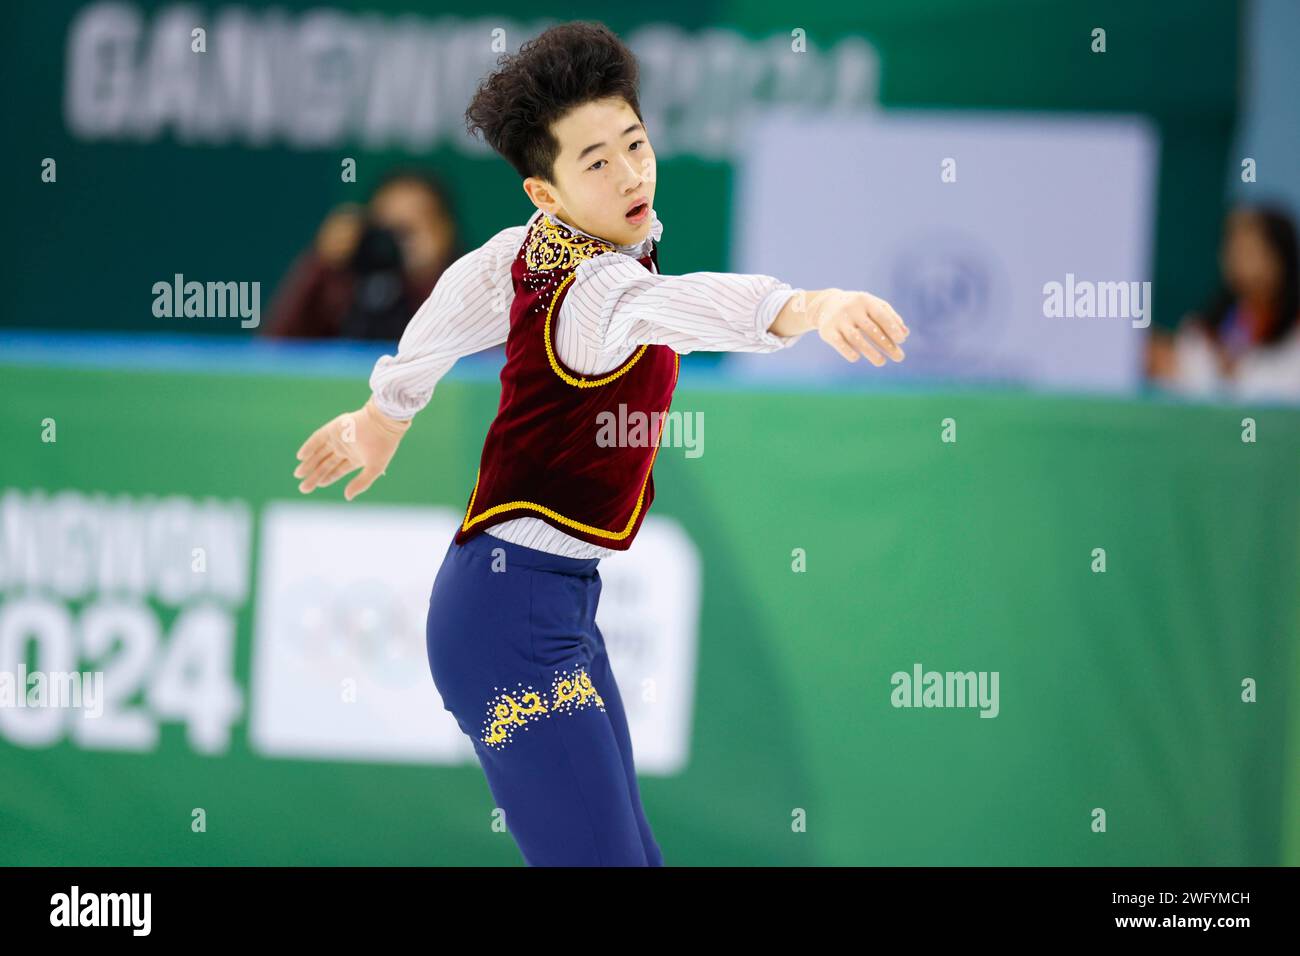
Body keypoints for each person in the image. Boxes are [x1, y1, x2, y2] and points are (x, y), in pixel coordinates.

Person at [290, 21, 908, 866]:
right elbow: (688, 308)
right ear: (546, 194)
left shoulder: (526, 253)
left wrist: (385, 416)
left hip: (547, 607)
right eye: (596, 162)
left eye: (635, 144)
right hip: (507, 623)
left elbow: (452, 304)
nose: (630, 174)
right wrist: (809, 307)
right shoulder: (598, 291)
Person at [264, 169, 464, 340]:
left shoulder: (471, 287)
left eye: (411, 229)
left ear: (446, 231)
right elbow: (273, 352)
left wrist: (427, 278)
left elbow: (479, 363)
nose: (399, 241)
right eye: (388, 227)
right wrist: (321, 263)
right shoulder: (338, 289)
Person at [1147, 204, 1300, 401]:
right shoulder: (1208, 326)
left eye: (1251, 249)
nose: (1237, 259)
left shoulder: (1294, 330)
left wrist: (1237, 373)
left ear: (1281, 256)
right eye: (1232, 247)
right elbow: (1189, 384)